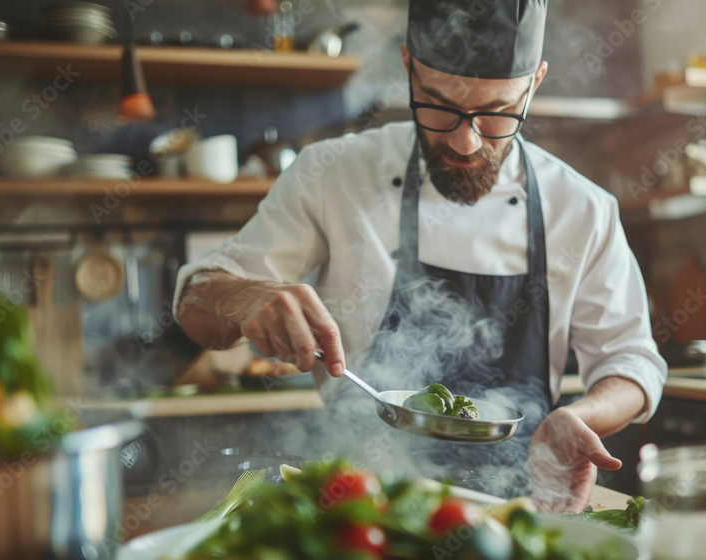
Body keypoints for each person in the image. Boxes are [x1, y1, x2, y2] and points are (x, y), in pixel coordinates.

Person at [174, 0, 667, 513]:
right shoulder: (332, 174)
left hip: (517, 513)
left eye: (498, 113)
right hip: (362, 511)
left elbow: (632, 361)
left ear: (535, 83)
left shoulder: (582, 209)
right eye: (438, 106)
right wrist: (244, 299)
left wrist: (585, 415)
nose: (465, 140)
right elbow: (197, 304)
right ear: (408, 67)